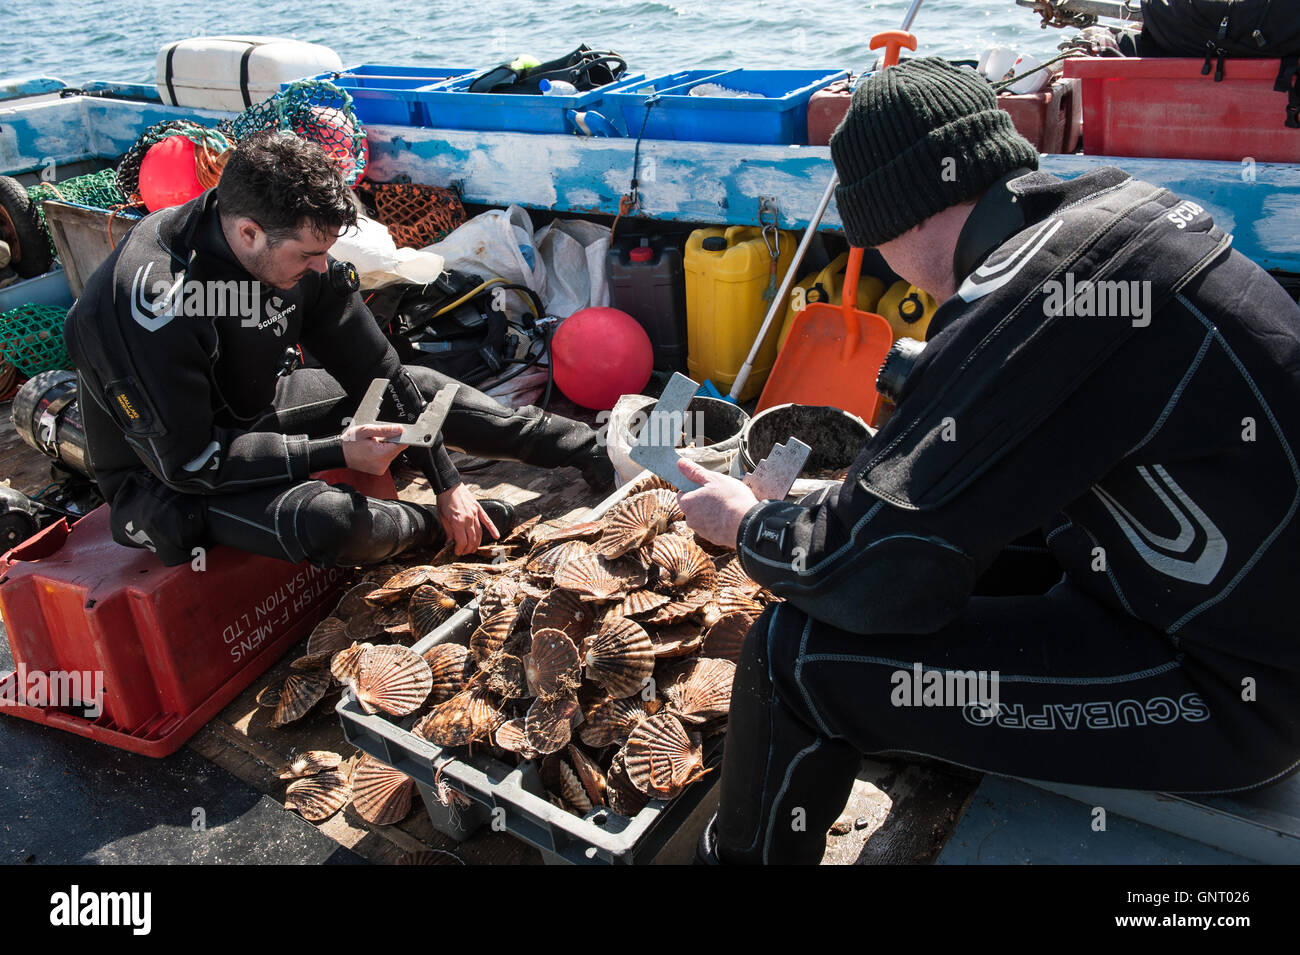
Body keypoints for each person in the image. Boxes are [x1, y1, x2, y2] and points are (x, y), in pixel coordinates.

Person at [678, 58, 1300, 864]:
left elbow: (870, 574)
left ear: (899, 219)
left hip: (1234, 698)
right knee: (944, 547)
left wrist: (748, 524)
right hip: (1211, 602)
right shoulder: (1120, 217)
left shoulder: (1023, 302)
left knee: (791, 655)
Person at [64, 130, 613, 569]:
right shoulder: (151, 306)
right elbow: (191, 462)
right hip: (165, 473)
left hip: (255, 408)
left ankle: (589, 450)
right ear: (251, 234)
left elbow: (376, 369)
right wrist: (333, 451)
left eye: (326, 252)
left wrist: (448, 482)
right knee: (328, 521)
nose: (322, 268)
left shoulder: (295, 248)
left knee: (420, 390)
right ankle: (434, 532)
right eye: (309, 255)